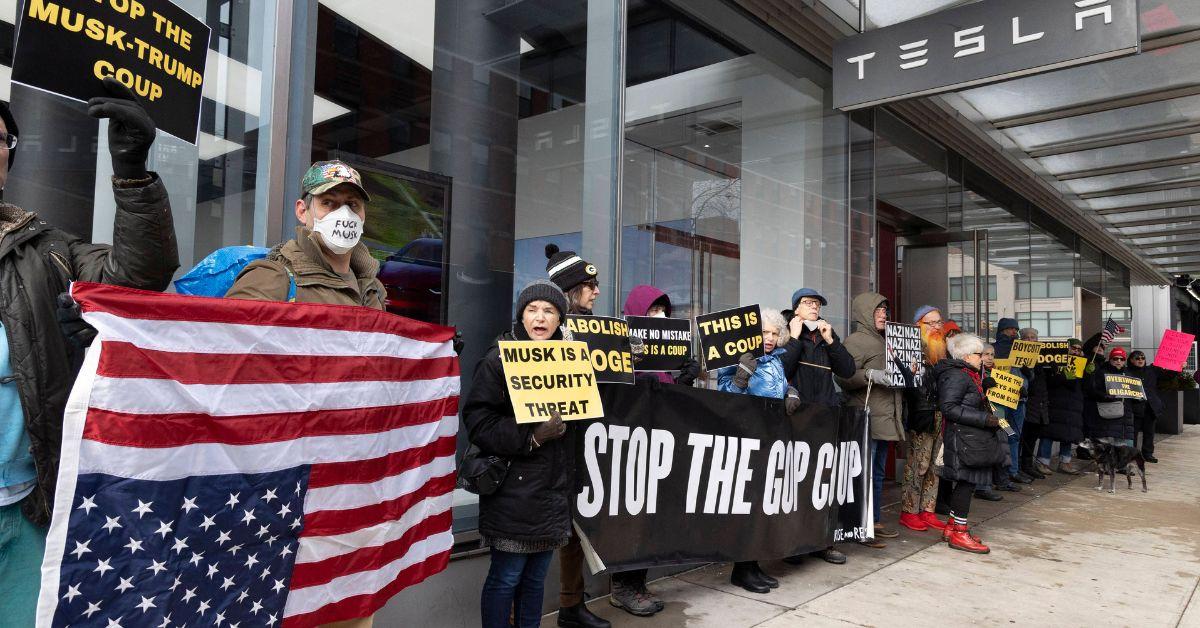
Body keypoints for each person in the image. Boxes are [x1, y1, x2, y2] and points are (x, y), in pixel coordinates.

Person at [0, 79, 179, 625]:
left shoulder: (48, 248)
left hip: (30, 507)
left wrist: (132, 175)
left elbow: (136, 278)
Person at [463, 281, 576, 628]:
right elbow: (478, 421)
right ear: (521, 316)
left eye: (549, 311)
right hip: (513, 491)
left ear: (559, 319)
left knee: (535, 581)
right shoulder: (499, 357)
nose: (540, 318)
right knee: (506, 578)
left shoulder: (571, 361)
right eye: (532, 310)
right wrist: (531, 437)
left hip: (552, 493)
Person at [606, 285, 701, 615]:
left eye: (663, 311)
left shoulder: (665, 358)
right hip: (631, 447)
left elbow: (667, 397)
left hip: (660, 445)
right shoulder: (620, 347)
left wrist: (683, 380)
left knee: (651, 520)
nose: (658, 317)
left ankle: (637, 583)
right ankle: (622, 585)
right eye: (651, 311)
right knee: (631, 519)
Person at [543, 246, 610, 628]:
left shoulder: (596, 330)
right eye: (590, 285)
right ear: (570, 289)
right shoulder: (549, 331)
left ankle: (571, 605)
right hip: (551, 441)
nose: (596, 292)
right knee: (541, 532)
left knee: (574, 529)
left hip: (582, 440)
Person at [717, 309, 800, 593]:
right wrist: (740, 377)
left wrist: (791, 391)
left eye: (775, 334)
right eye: (765, 332)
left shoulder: (776, 361)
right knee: (747, 507)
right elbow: (724, 399)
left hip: (770, 440)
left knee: (762, 507)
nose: (769, 338)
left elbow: (779, 388)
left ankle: (752, 564)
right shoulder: (736, 358)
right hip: (745, 440)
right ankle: (741, 568)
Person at [227, 160, 384, 307]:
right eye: (328, 202)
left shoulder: (374, 289)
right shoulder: (271, 278)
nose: (345, 214)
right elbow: (228, 332)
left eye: (352, 204)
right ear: (302, 211)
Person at [779, 287, 855, 565]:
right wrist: (796, 339)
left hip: (825, 417)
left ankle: (822, 542)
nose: (814, 307)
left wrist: (832, 341)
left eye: (817, 304)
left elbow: (848, 370)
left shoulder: (825, 336)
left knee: (824, 483)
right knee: (797, 483)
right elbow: (782, 369)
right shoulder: (787, 334)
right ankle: (794, 544)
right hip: (796, 418)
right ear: (796, 308)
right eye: (808, 303)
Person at [834, 293, 905, 547]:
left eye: (885, 311)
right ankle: (859, 525)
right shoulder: (856, 341)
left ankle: (873, 522)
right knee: (864, 474)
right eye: (878, 311)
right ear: (865, 314)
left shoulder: (887, 341)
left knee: (875, 474)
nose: (884, 315)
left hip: (885, 416)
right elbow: (842, 377)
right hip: (867, 417)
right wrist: (870, 375)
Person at [933, 333, 1003, 554]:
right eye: (978, 354)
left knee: (966, 482)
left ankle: (952, 527)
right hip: (963, 438)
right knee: (966, 482)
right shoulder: (958, 376)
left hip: (968, 436)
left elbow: (966, 402)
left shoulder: (967, 374)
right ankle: (960, 533)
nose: (982, 358)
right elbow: (949, 408)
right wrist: (985, 419)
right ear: (965, 355)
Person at [898, 305, 949, 533]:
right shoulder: (911, 350)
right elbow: (906, 387)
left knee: (936, 465)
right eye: (932, 323)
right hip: (921, 414)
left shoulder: (942, 350)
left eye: (939, 322)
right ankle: (910, 511)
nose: (938, 327)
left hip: (941, 413)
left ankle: (928, 510)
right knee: (918, 464)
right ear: (919, 325)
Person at [992, 318, 1033, 487]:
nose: (1014, 332)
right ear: (1002, 330)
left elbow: (1031, 376)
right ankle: (1000, 475)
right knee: (1002, 435)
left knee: (1014, 436)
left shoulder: (1023, 349)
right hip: (999, 401)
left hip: (1019, 401)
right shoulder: (993, 349)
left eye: (1015, 329)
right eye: (1010, 329)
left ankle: (1012, 472)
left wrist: (1027, 373)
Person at [1038, 339, 1087, 475]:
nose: (1076, 351)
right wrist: (1058, 372)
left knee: (1068, 435)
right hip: (1055, 404)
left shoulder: (1080, 364)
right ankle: (1043, 462)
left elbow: (1075, 382)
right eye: (1073, 348)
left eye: (1078, 349)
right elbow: (1053, 382)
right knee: (1048, 433)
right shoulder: (1053, 362)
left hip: (1072, 406)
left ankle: (1065, 463)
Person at [1084, 347, 1136, 446]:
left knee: (1124, 453)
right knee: (1103, 451)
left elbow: (1134, 395)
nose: (1118, 361)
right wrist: (1105, 396)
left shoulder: (1129, 374)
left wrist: (1138, 398)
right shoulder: (1101, 373)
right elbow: (1092, 391)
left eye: (1122, 359)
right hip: (1105, 416)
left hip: (1124, 419)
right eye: (1115, 358)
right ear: (1110, 359)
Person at [1018, 328, 1051, 480]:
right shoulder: (1018, 356)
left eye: (1034, 337)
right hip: (1028, 402)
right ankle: (1021, 466)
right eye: (1028, 338)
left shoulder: (1043, 357)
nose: (1031, 340)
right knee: (1024, 436)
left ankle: (1027, 464)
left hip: (1041, 404)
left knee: (1032, 437)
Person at [1125, 350, 1164, 463]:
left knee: (1149, 432)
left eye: (1142, 358)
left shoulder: (1151, 370)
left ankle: (1148, 454)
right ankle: (1132, 454)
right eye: (1137, 358)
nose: (1140, 360)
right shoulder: (1126, 372)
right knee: (1133, 433)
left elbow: (1168, 375)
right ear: (1131, 360)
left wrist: (1179, 368)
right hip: (1134, 407)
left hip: (1150, 407)